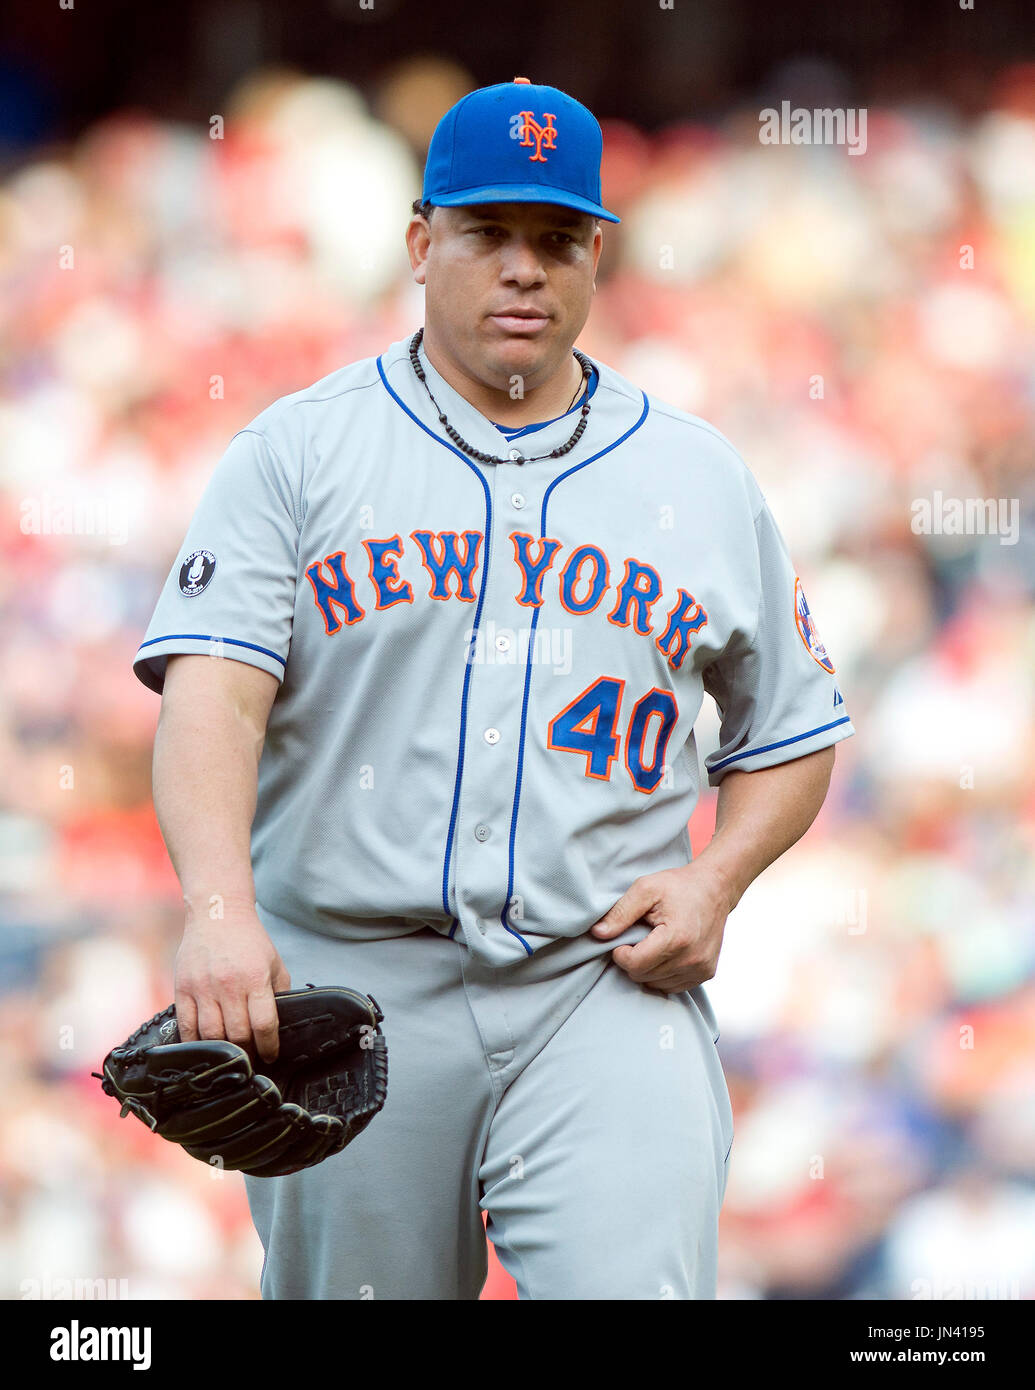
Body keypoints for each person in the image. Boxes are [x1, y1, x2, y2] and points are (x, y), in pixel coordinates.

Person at [133, 78, 854, 1300]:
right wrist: (215, 905)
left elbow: (792, 727)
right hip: (350, 982)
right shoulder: (300, 451)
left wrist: (717, 878)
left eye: (558, 239)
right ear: (422, 245)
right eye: (488, 234)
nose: (525, 269)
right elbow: (213, 693)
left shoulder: (696, 476)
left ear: (596, 260)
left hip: (600, 982)